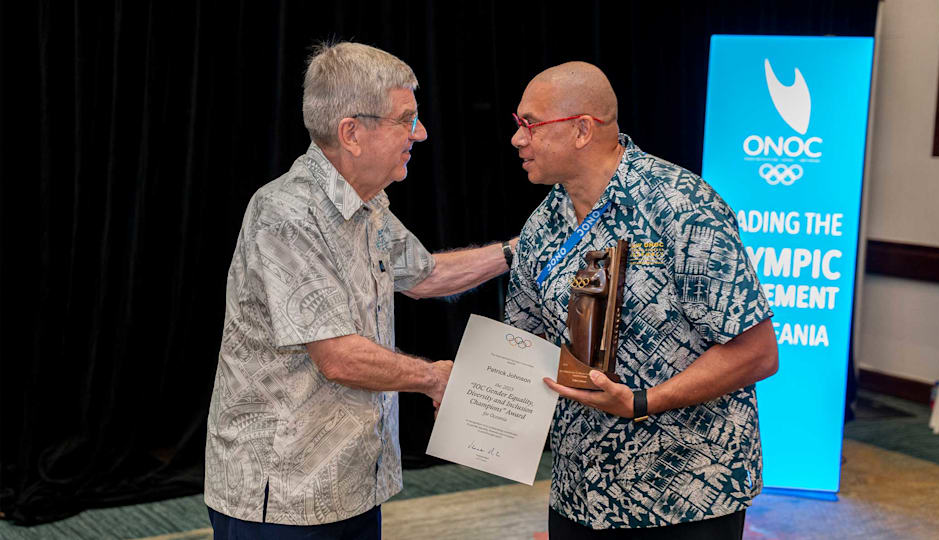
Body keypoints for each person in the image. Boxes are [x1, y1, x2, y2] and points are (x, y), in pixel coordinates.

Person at [204, 41, 517, 539]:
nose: (420, 132)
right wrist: (434, 379)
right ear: (351, 132)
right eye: (406, 119)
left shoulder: (367, 206)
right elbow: (339, 357)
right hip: (284, 495)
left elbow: (427, 275)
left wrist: (517, 251)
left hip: (350, 484)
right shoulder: (287, 213)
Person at [504, 61, 779, 539]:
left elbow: (756, 352)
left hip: (685, 495)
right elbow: (526, 344)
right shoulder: (542, 226)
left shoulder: (682, 207)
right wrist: (471, 395)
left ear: (582, 129)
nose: (517, 139)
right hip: (579, 494)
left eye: (530, 124)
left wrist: (641, 402)